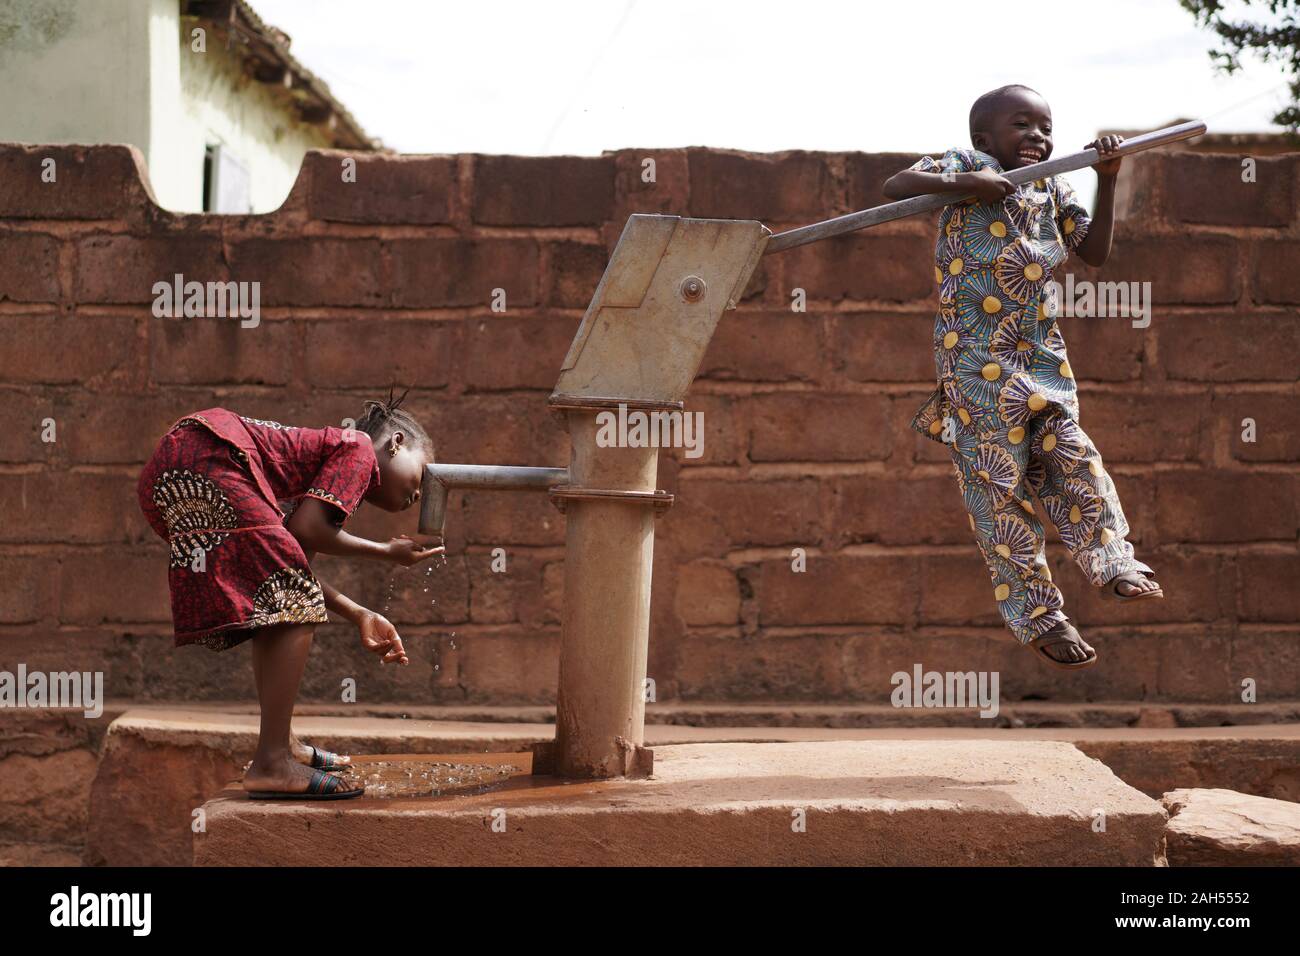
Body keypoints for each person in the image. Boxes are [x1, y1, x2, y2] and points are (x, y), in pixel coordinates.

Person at [882, 85, 1163, 670]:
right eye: (1021, 125)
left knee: (1075, 459)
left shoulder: (1055, 184)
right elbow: (896, 186)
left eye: (1045, 127)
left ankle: (1113, 563)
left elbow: (1096, 254)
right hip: (975, 369)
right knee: (999, 490)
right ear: (985, 139)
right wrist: (967, 186)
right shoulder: (966, 165)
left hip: (1040, 362)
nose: (1037, 137)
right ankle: (1039, 617)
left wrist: (1107, 177)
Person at [137, 390, 442, 797]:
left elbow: (294, 561)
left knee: (276, 591)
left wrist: (359, 614)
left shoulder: (322, 474)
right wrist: (387, 552)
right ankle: (271, 763)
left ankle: (283, 745)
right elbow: (308, 533)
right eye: (422, 475)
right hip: (209, 453)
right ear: (396, 444)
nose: (419, 494)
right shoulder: (359, 449)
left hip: (176, 468)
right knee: (288, 599)